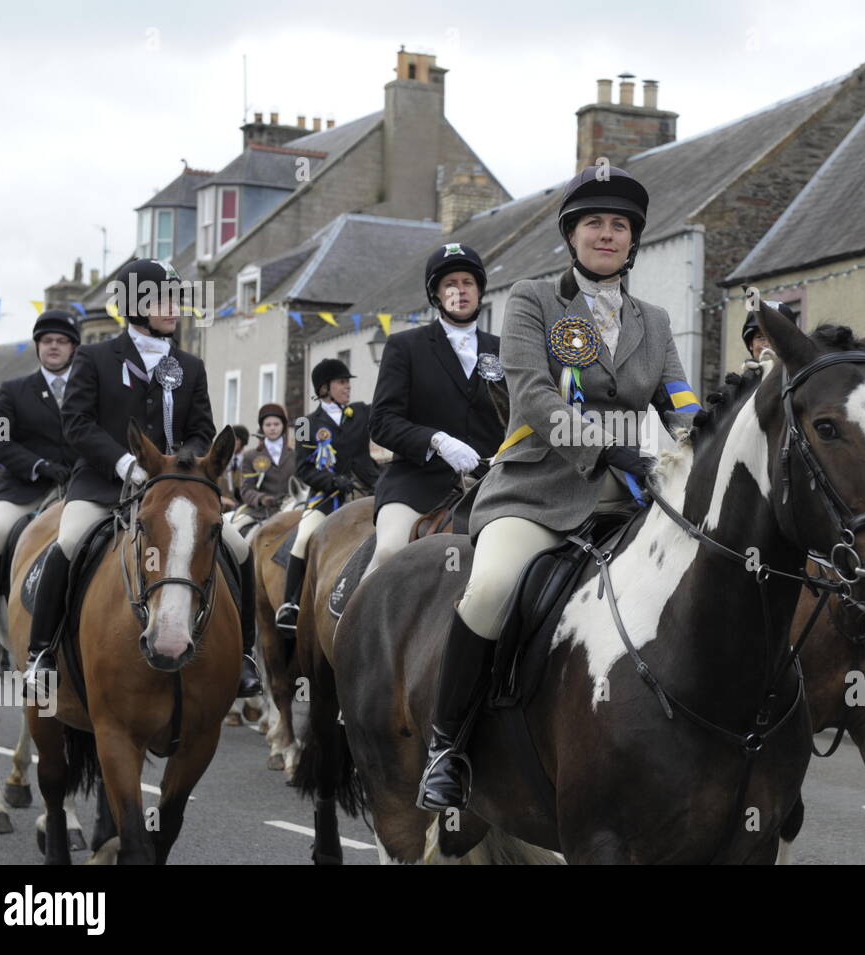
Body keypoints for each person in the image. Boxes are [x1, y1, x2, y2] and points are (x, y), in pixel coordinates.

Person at [416, 164, 702, 812]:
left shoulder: (655, 321)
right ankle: (446, 746)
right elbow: (534, 395)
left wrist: (714, 436)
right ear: (572, 236)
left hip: (630, 499)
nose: (607, 234)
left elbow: (681, 404)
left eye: (619, 225)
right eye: (594, 223)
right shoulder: (533, 300)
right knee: (492, 589)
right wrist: (606, 446)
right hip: (536, 494)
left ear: (633, 240)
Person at [24, 259, 261, 698]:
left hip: (174, 491)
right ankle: (40, 653)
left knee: (240, 548)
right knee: (69, 543)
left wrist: (178, 466)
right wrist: (124, 464)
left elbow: (202, 432)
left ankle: (245, 655)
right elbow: (76, 423)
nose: (174, 308)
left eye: (176, 300)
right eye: (163, 300)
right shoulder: (94, 358)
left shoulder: (190, 366)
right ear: (135, 306)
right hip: (102, 484)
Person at [364, 243, 505, 577]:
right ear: (437, 295)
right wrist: (437, 441)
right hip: (418, 483)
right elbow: (382, 421)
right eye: (450, 284)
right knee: (389, 551)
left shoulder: (503, 349)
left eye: (468, 282)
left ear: (479, 290)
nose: (460, 290)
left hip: (492, 481)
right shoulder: (405, 346)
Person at [0, 311, 80, 650]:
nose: (53, 347)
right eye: (47, 341)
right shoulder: (13, 391)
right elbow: (0, 442)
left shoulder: (88, 389)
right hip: (25, 487)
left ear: (73, 348)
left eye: (61, 341)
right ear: (37, 346)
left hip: (78, 485)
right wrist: (39, 466)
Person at [273, 358, 379, 633]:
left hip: (365, 490)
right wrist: (333, 481)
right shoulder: (305, 423)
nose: (347, 387)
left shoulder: (361, 412)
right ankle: (290, 605)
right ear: (324, 388)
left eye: (347, 383)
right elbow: (303, 468)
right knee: (303, 538)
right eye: (341, 382)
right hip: (326, 497)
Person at [232, 403, 295, 530]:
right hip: (260, 511)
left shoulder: (294, 454)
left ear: (283, 426)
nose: (272, 428)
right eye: (268, 425)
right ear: (262, 427)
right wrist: (261, 498)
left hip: (291, 509)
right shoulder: (250, 456)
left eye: (276, 424)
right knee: (235, 531)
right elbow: (246, 489)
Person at [220, 424, 250, 511]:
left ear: (243, 441)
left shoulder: (250, 461)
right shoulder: (221, 461)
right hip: (222, 509)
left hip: (243, 510)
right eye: (229, 439)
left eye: (236, 439)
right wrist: (221, 498)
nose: (231, 442)